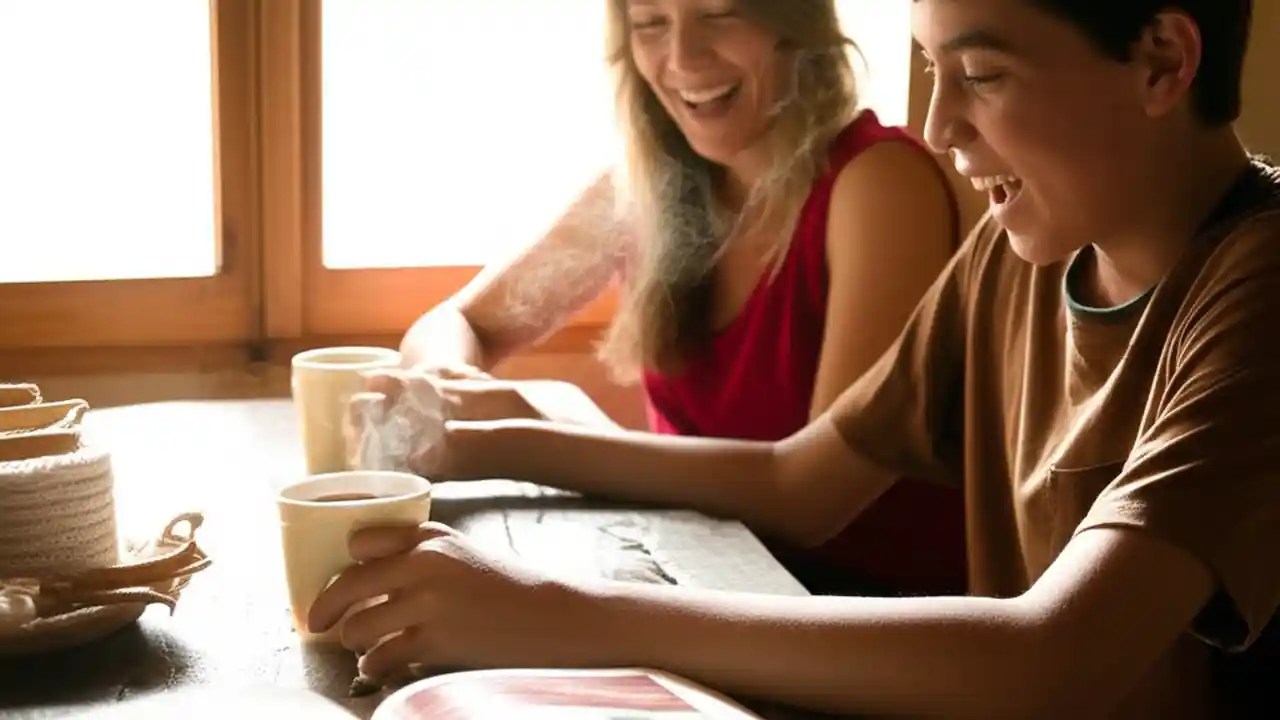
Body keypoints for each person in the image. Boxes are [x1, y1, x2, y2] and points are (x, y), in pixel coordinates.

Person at [315, 0, 1279, 715]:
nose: (941, 128)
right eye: (932, 72)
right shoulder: (1021, 245)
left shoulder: (1260, 283)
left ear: (1162, 60)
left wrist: (560, 610)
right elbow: (803, 475)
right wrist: (510, 436)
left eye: (980, 76)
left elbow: (1056, 656)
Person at [391, 0, 965, 595]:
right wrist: (446, 387)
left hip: (864, 623)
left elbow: (811, 497)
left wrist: (511, 437)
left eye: (721, 14)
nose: (683, 58)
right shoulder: (642, 191)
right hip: (704, 589)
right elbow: (460, 322)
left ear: (794, 27)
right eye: (650, 24)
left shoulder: (880, 183)